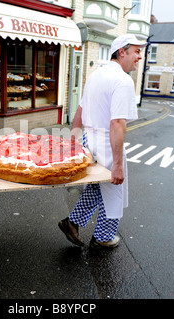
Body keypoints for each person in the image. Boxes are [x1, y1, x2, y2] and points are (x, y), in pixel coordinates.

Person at [59, 34, 146, 250]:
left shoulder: (95, 75)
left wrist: (74, 142)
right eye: (136, 51)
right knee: (114, 188)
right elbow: (117, 122)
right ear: (122, 52)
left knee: (99, 187)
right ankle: (104, 237)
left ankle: (73, 222)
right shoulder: (123, 81)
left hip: (89, 138)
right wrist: (117, 164)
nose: (139, 57)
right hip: (106, 141)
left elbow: (80, 111)